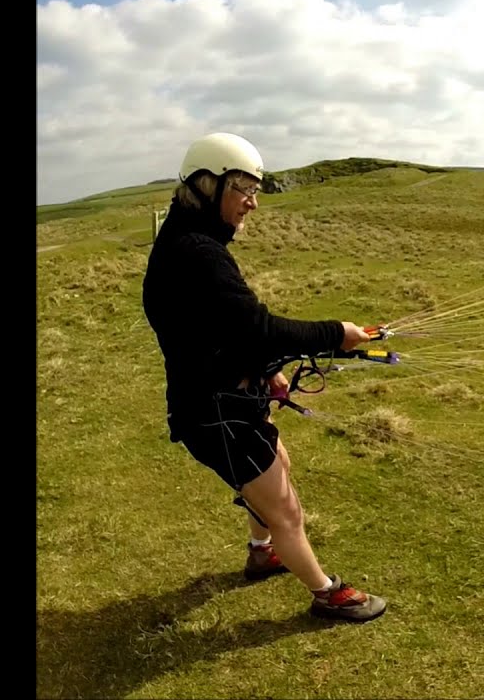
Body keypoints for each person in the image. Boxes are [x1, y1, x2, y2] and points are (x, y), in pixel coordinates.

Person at [141, 131, 387, 623]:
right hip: (214, 412)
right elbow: (257, 328)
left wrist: (263, 371)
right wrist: (334, 333)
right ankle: (327, 593)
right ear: (209, 186)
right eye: (242, 188)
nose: (252, 203)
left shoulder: (185, 240)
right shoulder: (198, 252)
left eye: (255, 190)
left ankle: (261, 552)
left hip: (220, 399)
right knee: (287, 510)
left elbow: (218, 328)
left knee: (278, 463)